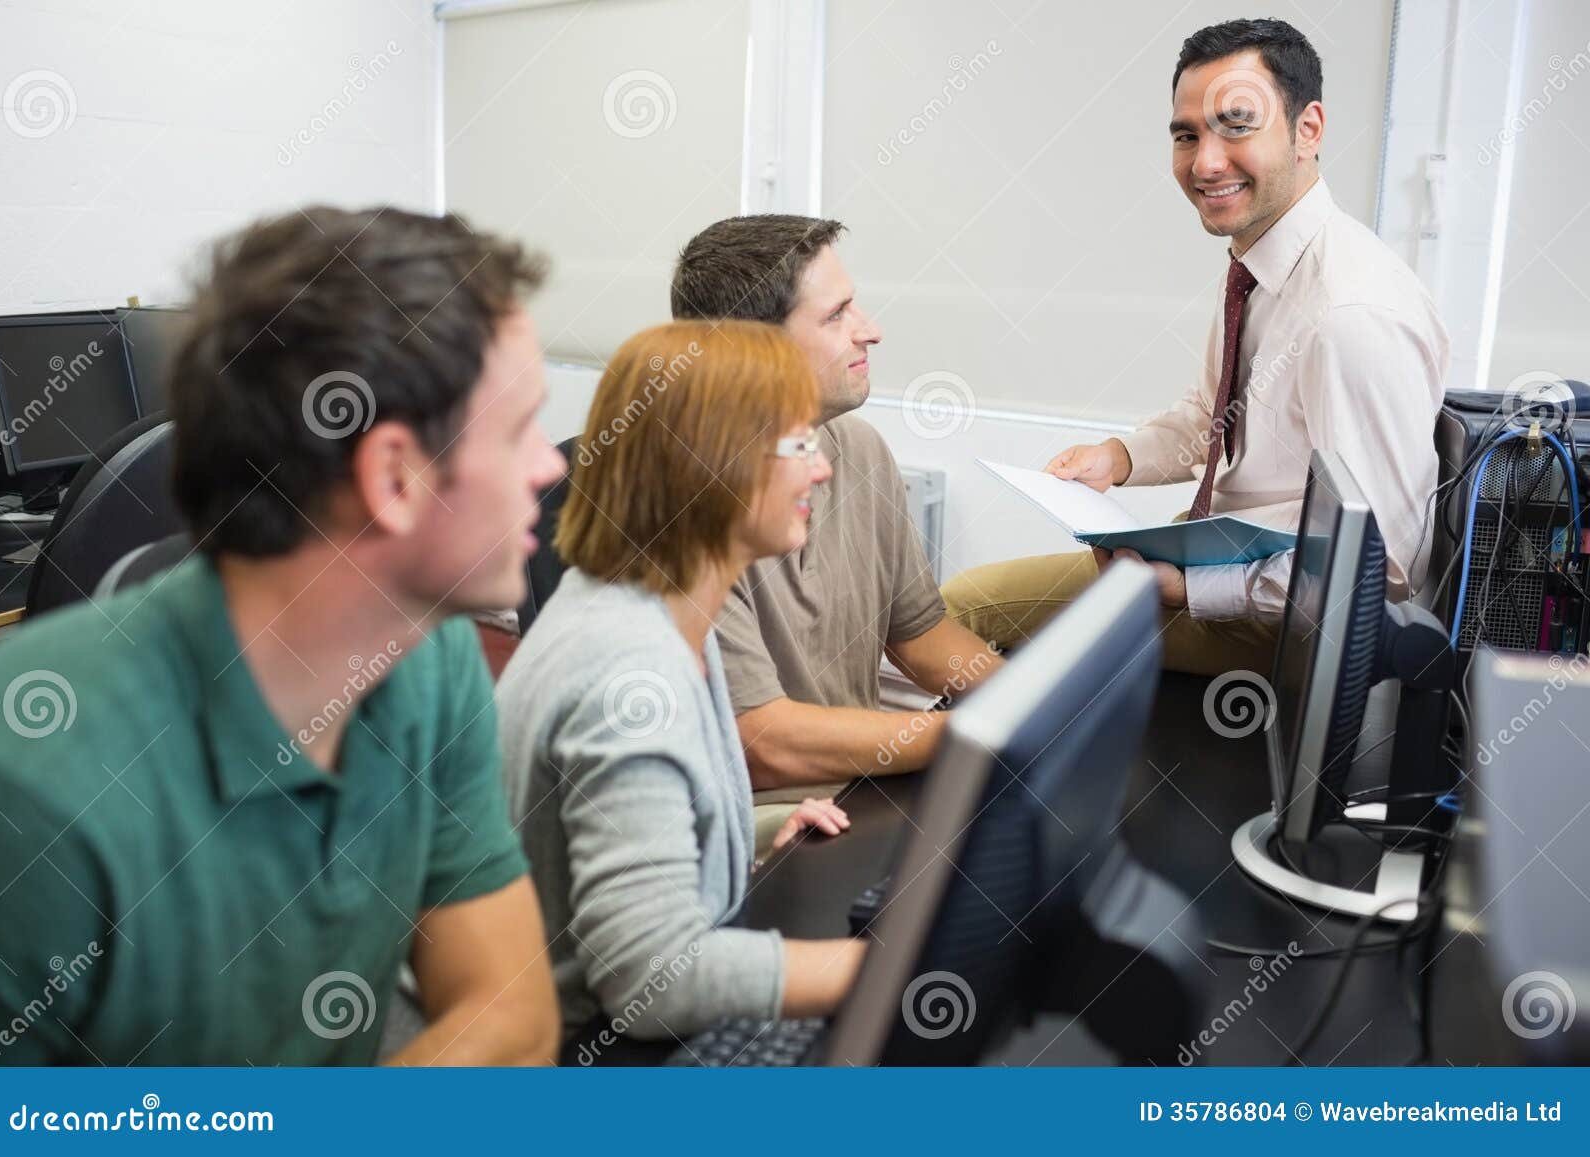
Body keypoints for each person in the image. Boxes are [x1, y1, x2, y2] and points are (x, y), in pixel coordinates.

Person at [0, 207, 563, 1065]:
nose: (549, 465)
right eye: (519, 430)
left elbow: (511, 1015)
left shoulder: (430, 653)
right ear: (396, 477)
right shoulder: (32, 791)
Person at [942, 18, 1448, 676]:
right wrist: (1120, 458)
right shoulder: (1262, 260)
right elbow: (1218, 415)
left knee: (957, 610)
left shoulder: (1350, 315)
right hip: (1217, 557)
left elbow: (1387, 568)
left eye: (1237, 125)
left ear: (1308, 130)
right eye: (1187, 135)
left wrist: (1194, 590)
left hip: (1271, 628)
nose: (1205, 162)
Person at [497, 320, 868, 1044]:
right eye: (799, 445)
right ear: (713, 465)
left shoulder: (651, 609)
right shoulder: (630, 672)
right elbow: (654, 981)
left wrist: (742, 842)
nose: (819, 468)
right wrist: (894, 969)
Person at [670, 216, 1003, 793]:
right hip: (765, 823)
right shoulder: (680, 500)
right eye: (835, 316)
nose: (869, 331)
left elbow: (920, 636)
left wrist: (1034, 704)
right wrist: (972, 736)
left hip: (858, 787)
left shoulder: (860, 449)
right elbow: (763, 745)